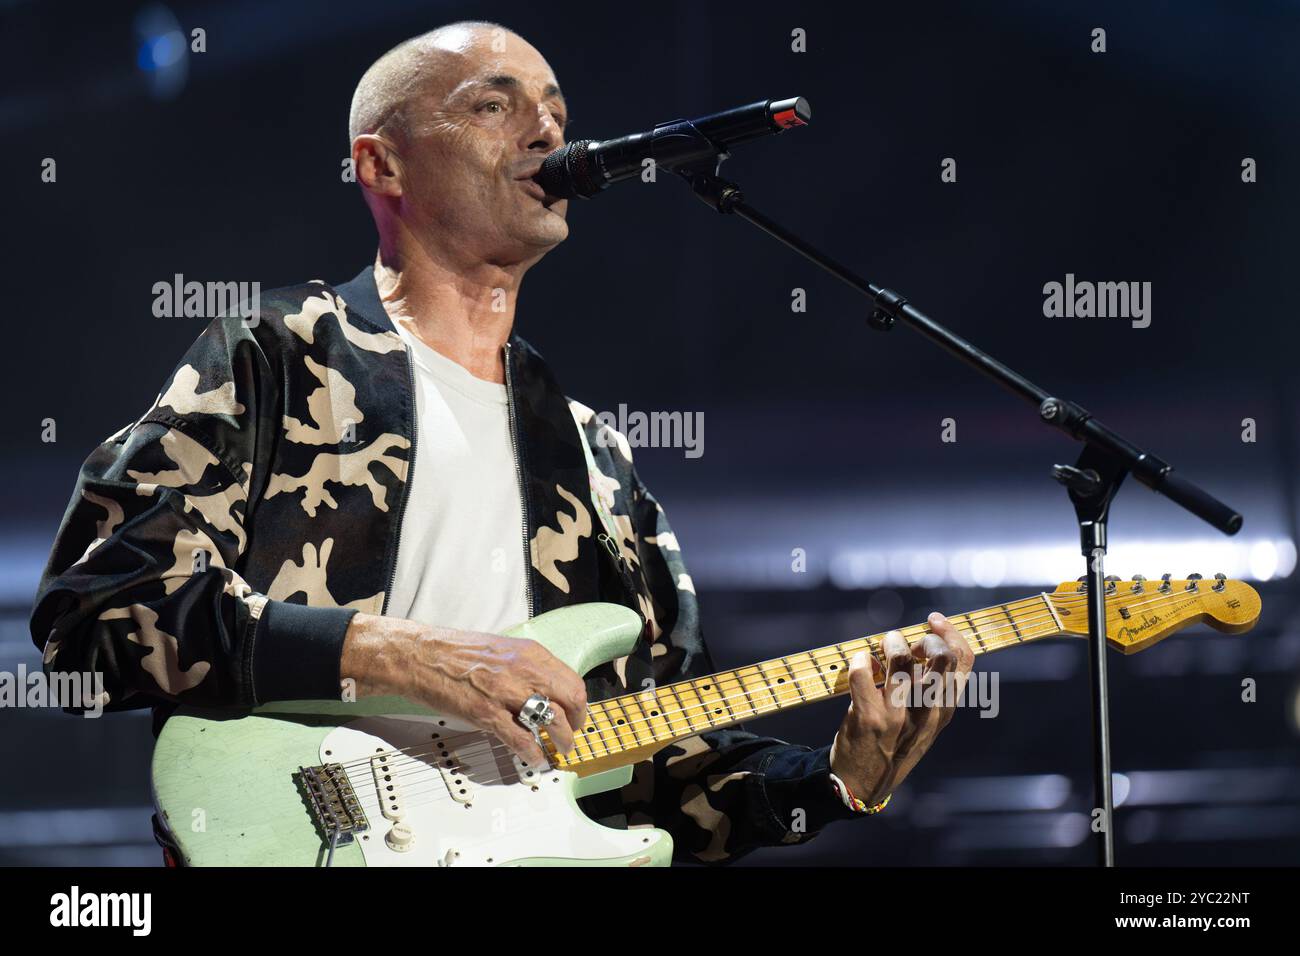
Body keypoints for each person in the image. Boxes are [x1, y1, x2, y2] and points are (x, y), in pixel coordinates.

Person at [30, 20, 973, 864]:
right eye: (495, 104)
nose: (547, 130)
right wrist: (398, 655)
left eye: (557, 109)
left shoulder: (594, 459)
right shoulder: (277, 358)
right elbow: (91, 615)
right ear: (382, 166)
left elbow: (657, 772)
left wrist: (837, 781)